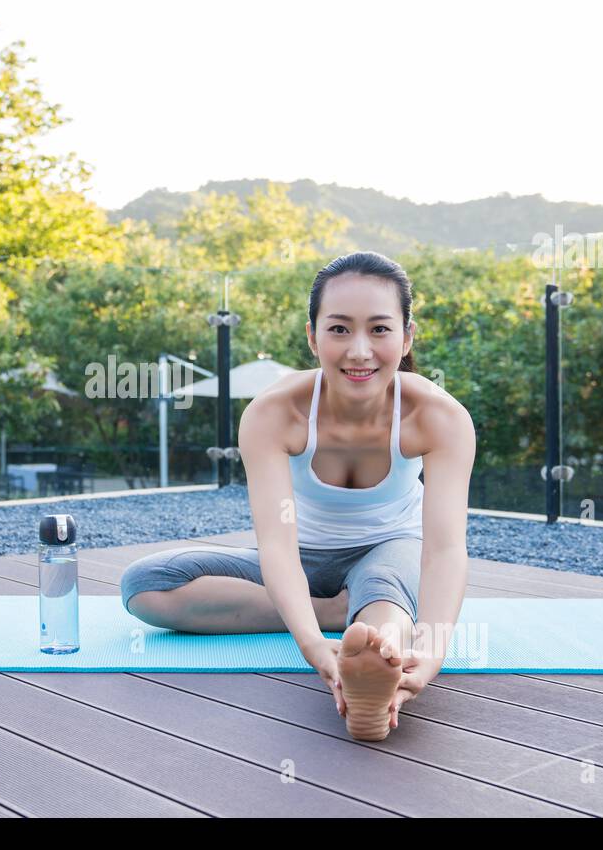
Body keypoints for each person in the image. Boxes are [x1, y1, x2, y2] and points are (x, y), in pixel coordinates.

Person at [119, 251, 475, 741]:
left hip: (391, 548)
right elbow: (277, 545)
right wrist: (311, 641)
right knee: (146, 586)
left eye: (379, 329)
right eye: (339, 329)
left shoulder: (438, 416)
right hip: (300, 560)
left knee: (385, 586)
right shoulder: (274, 413)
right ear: (312, 336)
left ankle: (382, 655)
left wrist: (432, 651)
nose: (359, 351)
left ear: (406, 336)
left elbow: (444, 549)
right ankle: (338, 614)